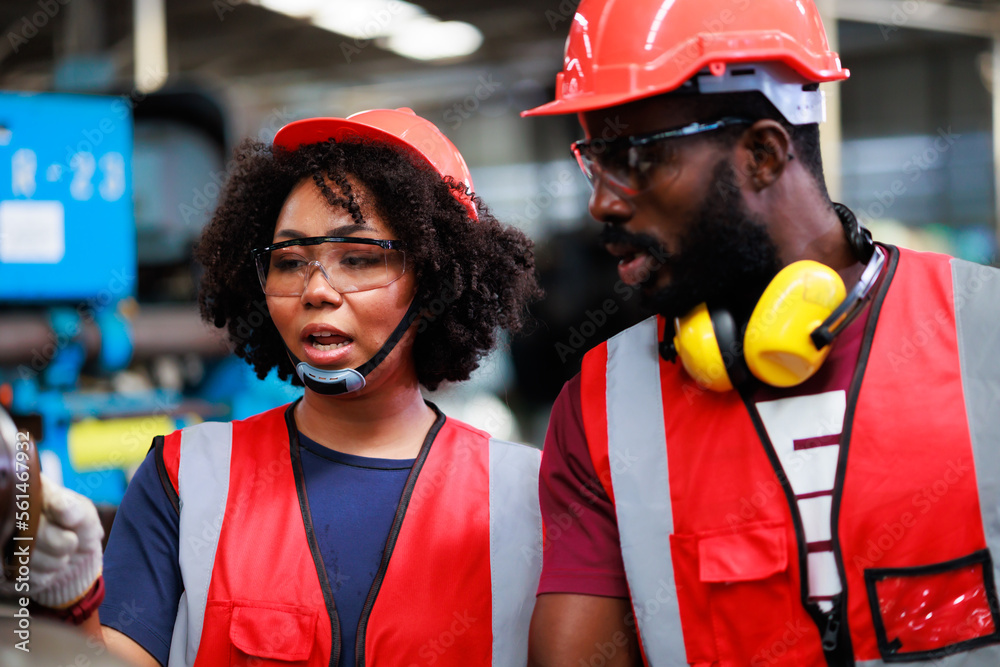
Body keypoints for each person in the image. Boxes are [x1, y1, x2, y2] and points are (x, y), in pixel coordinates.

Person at [522, 1, 1000, 665]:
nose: (602, 202)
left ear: (764, 155)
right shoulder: (602, 407)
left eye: (631, 157)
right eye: (591, 162)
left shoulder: (987, 328)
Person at [25, 108, 544, 666]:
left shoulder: (527, 493)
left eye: (359, 258)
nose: (316, 290)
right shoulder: (188, 477)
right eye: (290, 260)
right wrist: (71, 603)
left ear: (437, 277)